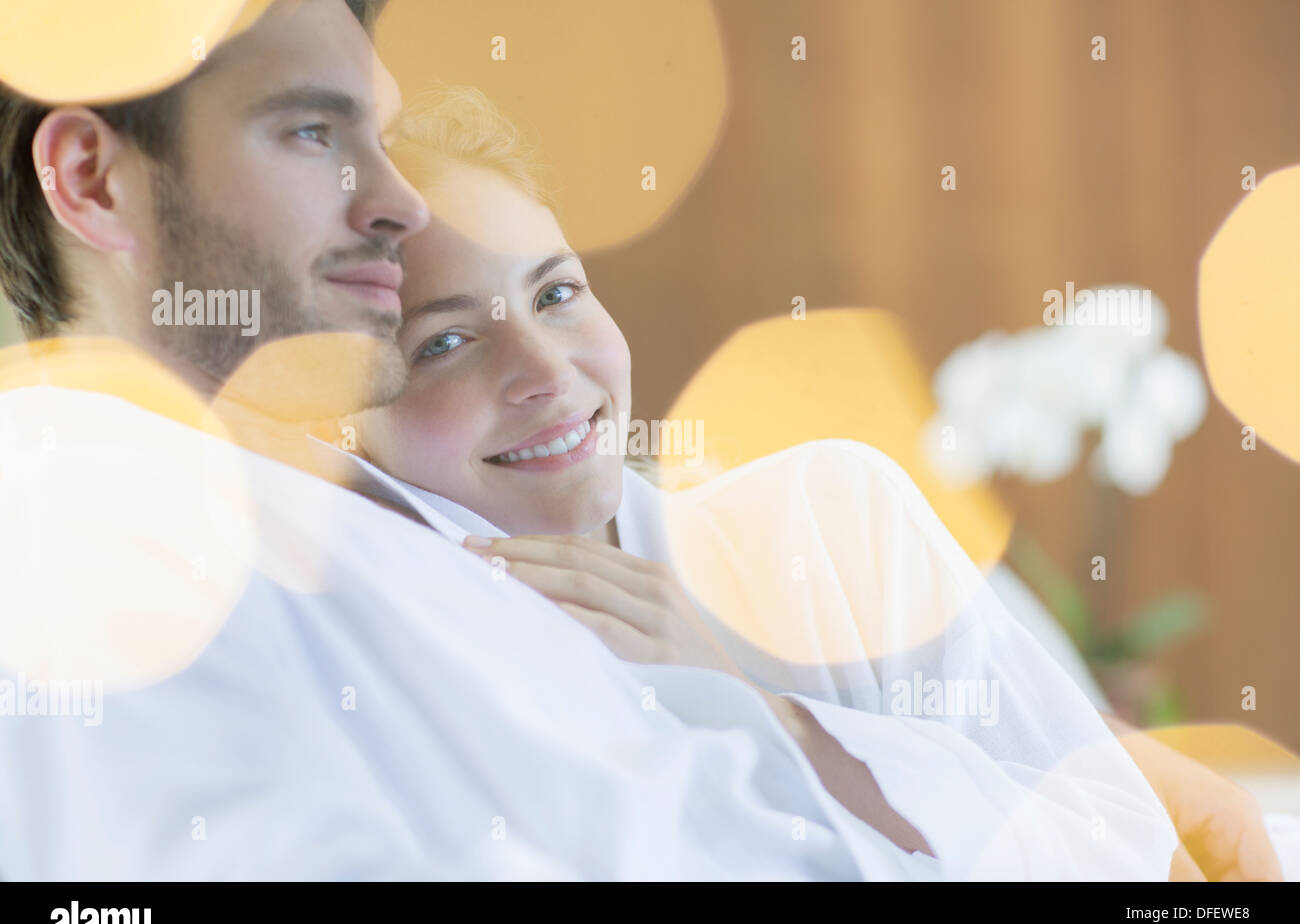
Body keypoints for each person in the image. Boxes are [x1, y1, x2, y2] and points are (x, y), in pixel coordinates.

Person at [345, 85, 1293, 881]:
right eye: (445, 343)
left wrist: (771, 715)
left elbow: (1136, 868)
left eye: (556, 292)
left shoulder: (833, 521)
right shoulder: (402, 664)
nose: (546, 368)